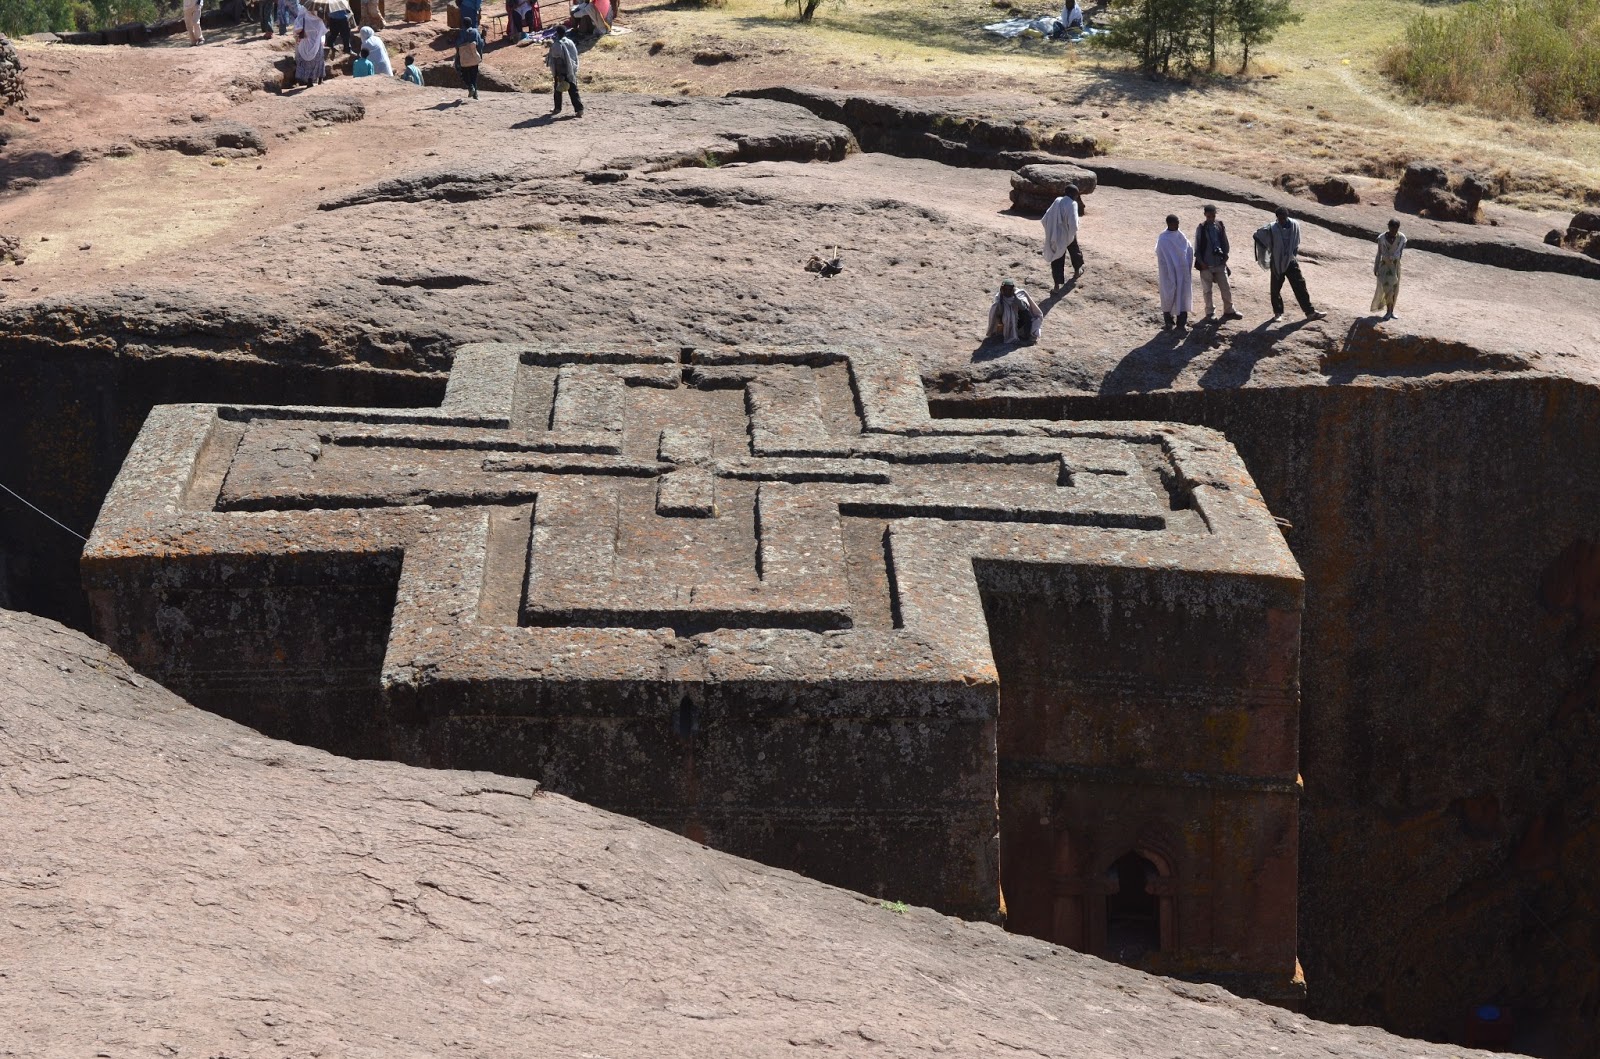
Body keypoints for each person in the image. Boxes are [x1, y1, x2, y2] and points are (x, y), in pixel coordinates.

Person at [1254, 206, 1327, 323]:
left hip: (1291, 261)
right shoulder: (1272, 227)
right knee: (1275, 289)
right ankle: (1278, 313)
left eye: (1283, 218)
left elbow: (1296, 241)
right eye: (1279, 219)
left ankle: (1310, 312)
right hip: (1277, 262)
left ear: (1287, 217)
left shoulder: (1294, 225)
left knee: (1300, 286)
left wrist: (1291, 254)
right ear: (1277, 218)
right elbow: (1258, 235)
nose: (1282, 221)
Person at [1193, 204, 1239, 322]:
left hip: (1219, 264)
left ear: (1215, 214)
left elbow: (1225, 242)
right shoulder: (1201, 228)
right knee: (1207, 291)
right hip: (1206, 265)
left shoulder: (1219, 225)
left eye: (1212, 216)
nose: (1210, 218)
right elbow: (1197, 248)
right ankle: (1210, 312)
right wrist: (1201, 263)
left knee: (1226, 288)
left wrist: (1225, 257)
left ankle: (1229, 310)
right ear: (1205, 215)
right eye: (1208, 216)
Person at [1156, 214, 1194, 332]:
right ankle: (1168, 322)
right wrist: (1170, 267)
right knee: (1168, 295)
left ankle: (1181, 324)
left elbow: (1188, 248)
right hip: (1168, 273)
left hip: (1182, 273)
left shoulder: (1180, 235)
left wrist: (1184, 262)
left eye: (1178, 222)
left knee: (1182, 295)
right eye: (1175, 223)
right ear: (1169, 224)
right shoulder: (1163, 239)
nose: (1177, 225)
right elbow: (1161, 255)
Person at [1042, 185, 1084, 291]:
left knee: (1057, 258)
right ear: (1074, 195)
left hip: (1055, 234)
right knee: (1074, 251)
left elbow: (1045, 218)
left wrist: (1052, 231)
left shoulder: (1057, 200)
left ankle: (1056, 286)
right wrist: (1070, 235)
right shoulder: (1072, 204)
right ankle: (1077, 271)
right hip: (1067, 233)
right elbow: (1073, 224)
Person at [986, 280, 1043, 345]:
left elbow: (1024, 307)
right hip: (1007, 322)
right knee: (996, 309)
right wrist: (1001, 300)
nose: (1007, 291)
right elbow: (999, 312)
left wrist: (1015, 298)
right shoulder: (999, 297)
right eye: (1005, 289)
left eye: (1009, 289)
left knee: (1026, 313)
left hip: (1021, 319)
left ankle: (1028, 337)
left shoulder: (1020, 294)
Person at [1372, 219, 1406, 320]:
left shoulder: (1401, 238)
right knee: (1388, 289)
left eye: (1396, 229)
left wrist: (1394, 259)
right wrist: (1376, 266)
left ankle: (1391, 311)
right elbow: (1379, 253)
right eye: (1392, 228)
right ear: (1388, 227)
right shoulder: (1382, 238)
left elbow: (1400, 253)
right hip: (1385, 267)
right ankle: (1388, 311)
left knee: (1395, 290)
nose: (1394, 231)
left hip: (1395, 267)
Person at [547, 25, 583, 117]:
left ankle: (557, 108)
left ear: (557, 33)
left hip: (562, 70)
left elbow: (557, 60)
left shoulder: (557, 44)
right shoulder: (570, 42)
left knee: (558, 89)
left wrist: (559, 74)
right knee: (573, 90)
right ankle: (579, 110)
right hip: (572, 69)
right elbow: (575, 56)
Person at [291, 3, 328, 86]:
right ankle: (320, 80)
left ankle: (309, 81)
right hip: (316, 46)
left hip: (304, 45)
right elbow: (323, 32)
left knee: (306, 64)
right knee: (319, 62)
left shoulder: (301, 19)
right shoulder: (319, 20)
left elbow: (295, 32)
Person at [455, 22, 485, 99]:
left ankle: (470, 87)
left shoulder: (461, 33)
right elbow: (480, 44)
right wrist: (479, 55)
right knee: (474, 76)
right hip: (474, 57)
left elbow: (458, 44)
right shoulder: (475, 31)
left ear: (463, 24)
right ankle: (475, 94)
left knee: (464, 75)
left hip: (464, 58)